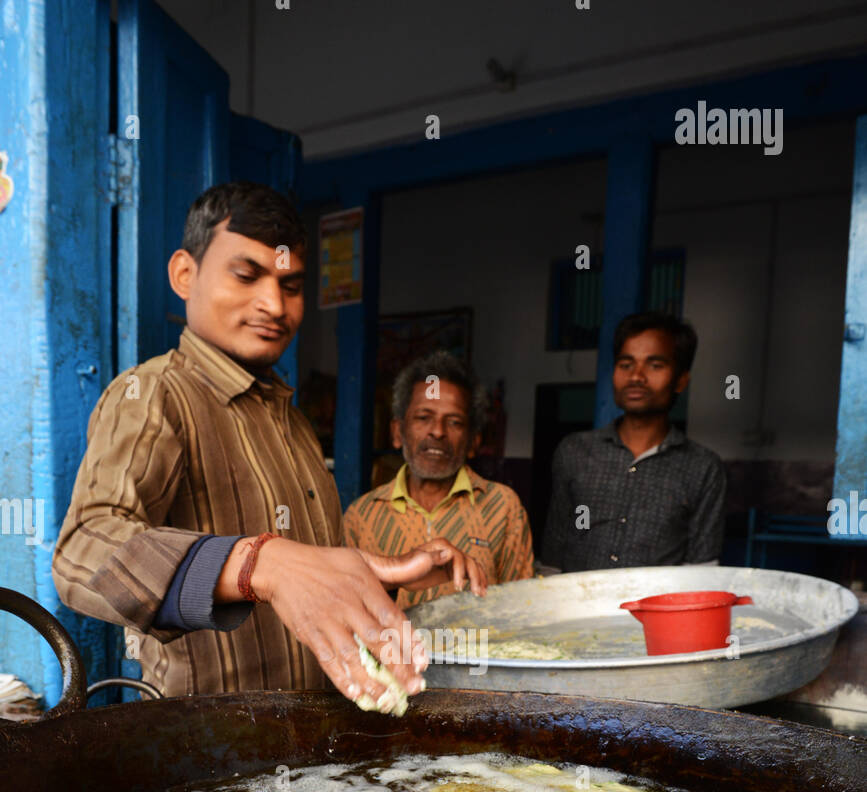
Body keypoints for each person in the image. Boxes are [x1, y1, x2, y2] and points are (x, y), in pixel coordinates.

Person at [52, 183, 485, 709]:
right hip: (208, 754)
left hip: (310, 752)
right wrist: (262, 564)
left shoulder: (292, 421)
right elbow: (82, 553)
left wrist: (385, 569)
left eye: (291, 284)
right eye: (246, 275)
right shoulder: (154, 395)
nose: (273, 304)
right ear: (185, 274)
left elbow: (304, 573)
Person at [344, 351, 534, 609]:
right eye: (423, 418)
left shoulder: (503, 507)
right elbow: (345, 605)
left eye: (454, 422)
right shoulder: (361, 515)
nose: (437, 431)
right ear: (397, 432)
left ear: (473, 441)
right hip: (390, 650)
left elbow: (521, 607)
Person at [541, 312, 727, 573]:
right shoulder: (574, 451)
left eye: (655, 365)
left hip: (655, 614)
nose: (636, 376)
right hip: (578, 610)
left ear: (681, 380)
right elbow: (553, 552)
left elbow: (702, 569)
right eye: (626, 364)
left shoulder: (703, 468)